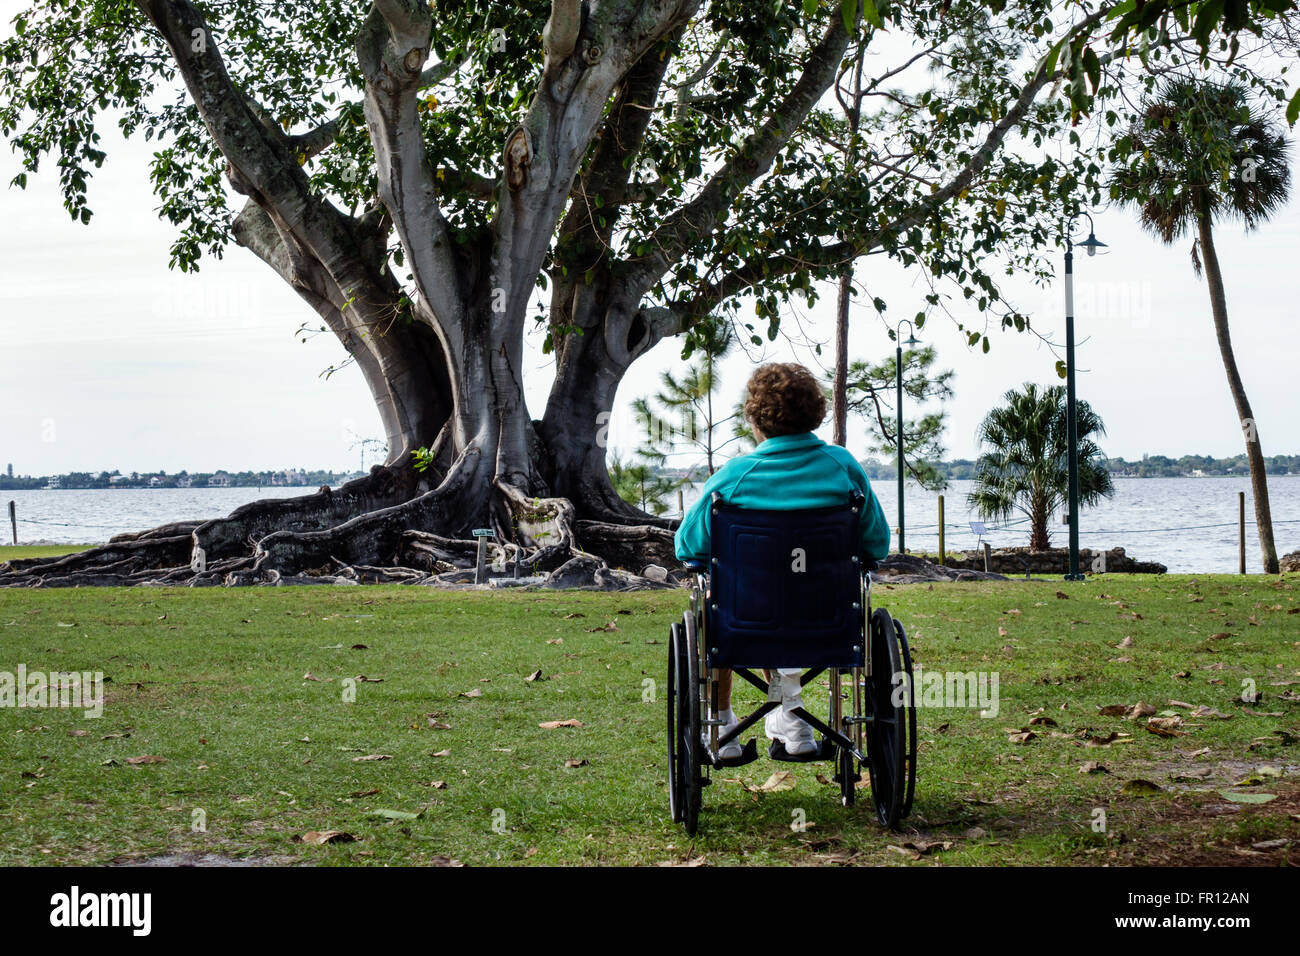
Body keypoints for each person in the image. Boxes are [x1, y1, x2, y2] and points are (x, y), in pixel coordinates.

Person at [674, 362, 891, 758]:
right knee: (796, 596)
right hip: (830, 622)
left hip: (747, 622)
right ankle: (793, 720)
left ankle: (723, 725)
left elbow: (689, 547)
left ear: (756, 421)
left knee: (723, 602)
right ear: (814, 414)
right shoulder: (843, 468)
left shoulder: (733, 477)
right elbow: (877, 544)